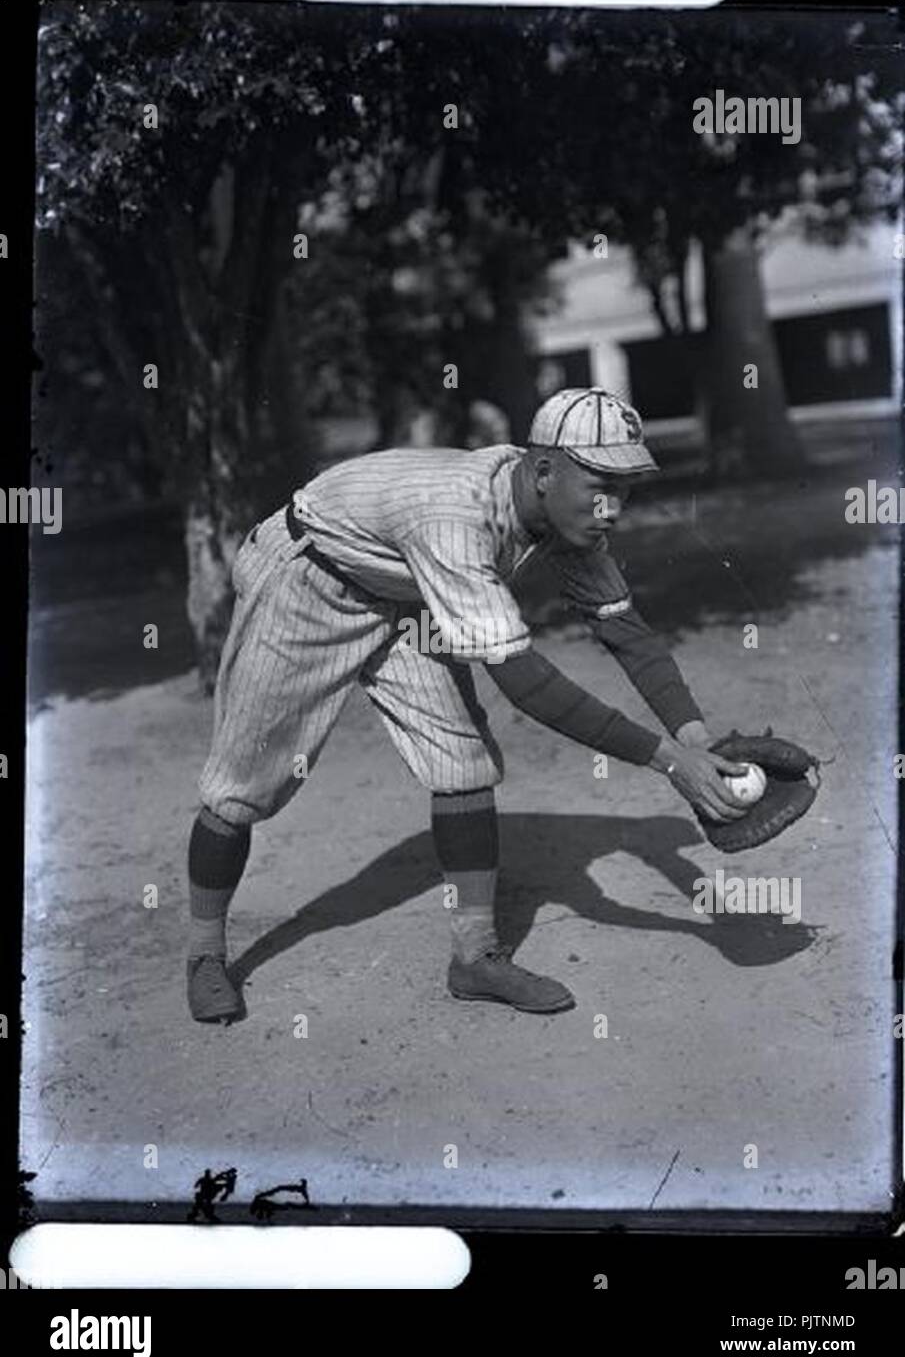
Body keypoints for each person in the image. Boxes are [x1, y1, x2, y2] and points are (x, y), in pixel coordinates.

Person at [186, 387, 747, 1022]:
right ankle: (205, 954)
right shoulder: (456, 517)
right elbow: (524, 682)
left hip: (406, 593)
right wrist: (670, 762)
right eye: (600, 483)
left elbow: (625, 631)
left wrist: (694, 738)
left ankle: (476, 957)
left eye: (625, 487)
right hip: (310, 578)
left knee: (464, 762)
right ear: (543, 470)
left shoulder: (567, 515)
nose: (612, 507)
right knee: (242, 788)